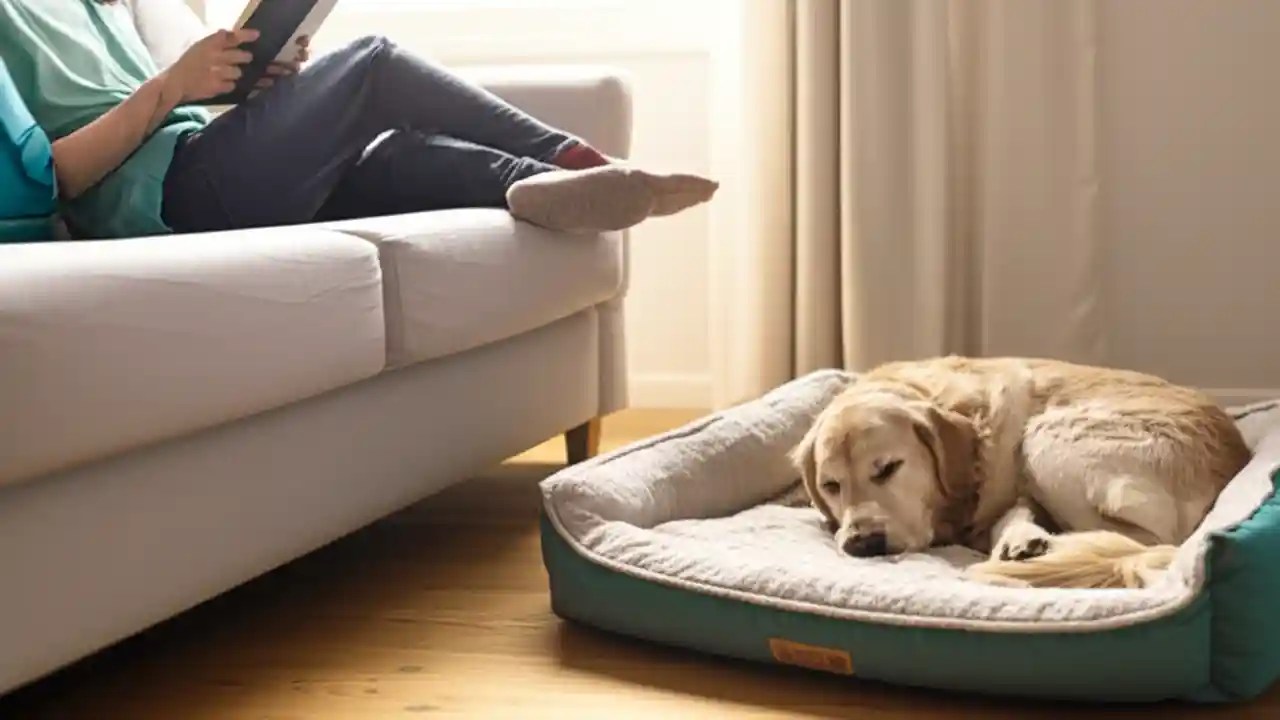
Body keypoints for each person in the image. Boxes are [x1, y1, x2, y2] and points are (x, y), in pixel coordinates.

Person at [0, 0, 718, 240]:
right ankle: (579, 160)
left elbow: (167, 111)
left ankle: (538, 183)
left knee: (403, 156)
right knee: (373, 64)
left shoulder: (104, 4)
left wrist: (248, 88)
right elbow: (47, 177)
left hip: (201, 158)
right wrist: (171, 86)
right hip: (165, 203)